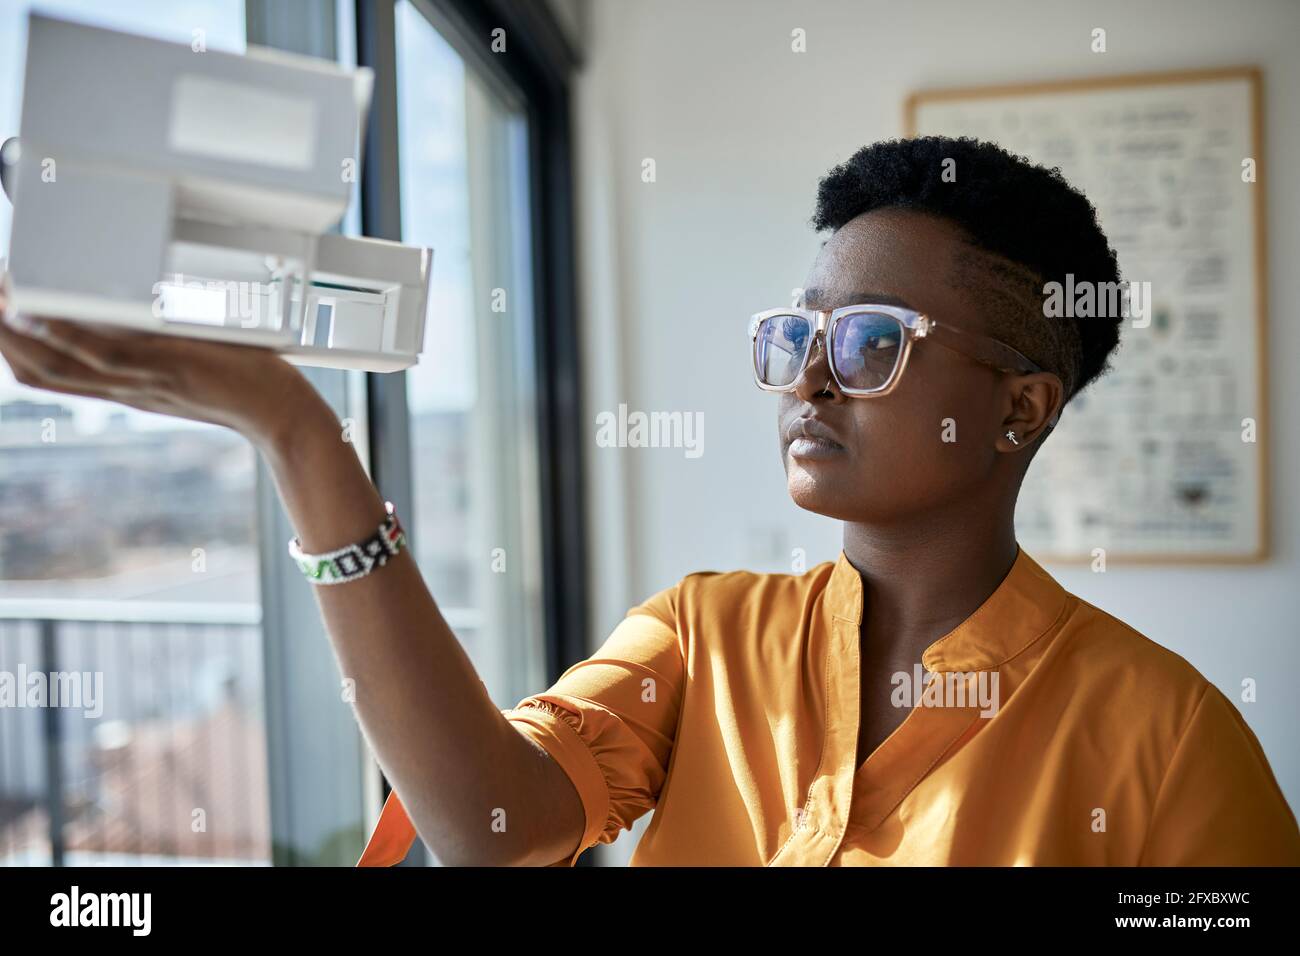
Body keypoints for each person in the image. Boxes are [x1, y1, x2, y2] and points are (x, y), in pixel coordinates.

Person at [2, 136, 1296, 866]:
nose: (808, 383)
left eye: (868, 346)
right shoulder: (705, 638)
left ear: (1021, 408)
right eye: (796, 337)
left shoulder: (1169, 741)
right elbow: (489, 826)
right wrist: (297, 432)